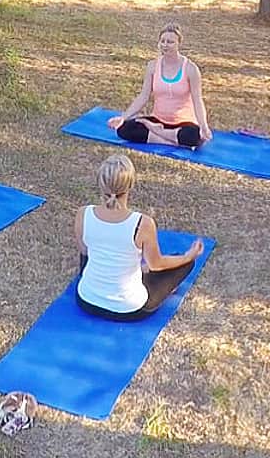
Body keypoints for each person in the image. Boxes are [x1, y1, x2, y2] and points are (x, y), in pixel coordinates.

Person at [74, 154, 204, 321]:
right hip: (129, 309)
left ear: (100, 183)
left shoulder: (83, 213)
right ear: (130, 185)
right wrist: (189, 256)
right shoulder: (142, 223)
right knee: (183, 263)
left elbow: (85, 251)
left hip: (86, 300)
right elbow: (156, 265)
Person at [106, 23, 213, 148]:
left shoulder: (190, 69)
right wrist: (123, 117)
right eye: (163, 41)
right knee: (123, 129)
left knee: (194, 136)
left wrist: (204, 126)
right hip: (158, 119)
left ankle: (156, 132)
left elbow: (197, 101)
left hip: (183, 123)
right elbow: (143, 96)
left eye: (170, 42)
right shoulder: (152, 66)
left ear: (179, 43)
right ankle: (171, 140)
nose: (165, 45)